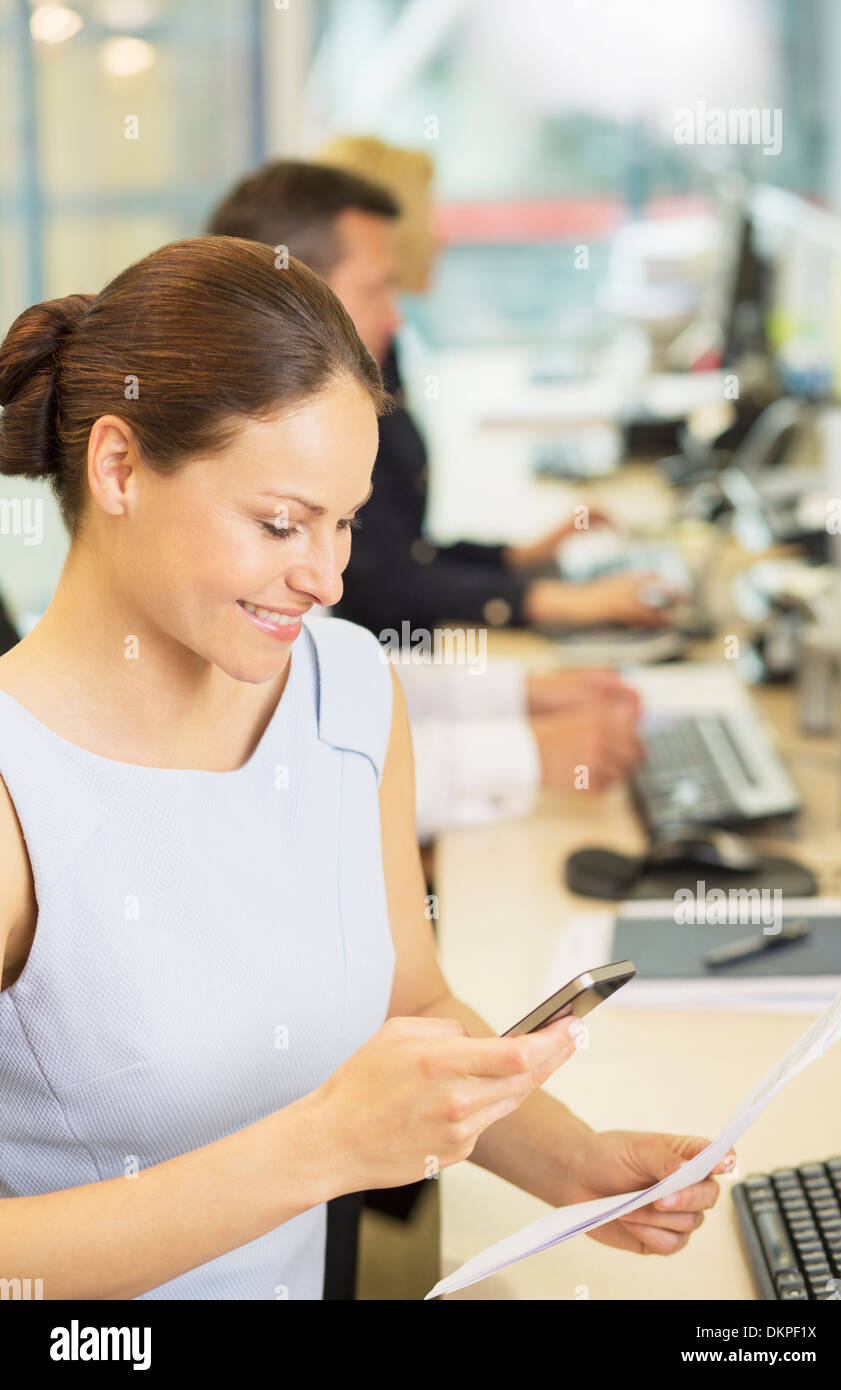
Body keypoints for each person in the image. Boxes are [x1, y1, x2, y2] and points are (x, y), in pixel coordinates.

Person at [0, 236, 731, 1299]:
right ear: (117, 467)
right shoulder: (19, 796)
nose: (329, 577)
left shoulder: (343, 685)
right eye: (281, 523)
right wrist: (318, 1149)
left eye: (344, 522)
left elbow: (413, 999)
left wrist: (575, 1163)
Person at [207, 159, 647, 843]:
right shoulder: (224, 499)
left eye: (344, 524)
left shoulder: (289, 469)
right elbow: (288, 794)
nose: (396, 315)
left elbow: (334, 681)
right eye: (378, 288)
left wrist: (518, 697)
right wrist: (528, 752)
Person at [207, 159, 674, 638]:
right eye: (376, 288)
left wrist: (515, 561)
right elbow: (383, 584)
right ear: (297, 292)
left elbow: (400, 554)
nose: (395, 317)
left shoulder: (363, 381)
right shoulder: (262, 443)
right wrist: (554, 607)